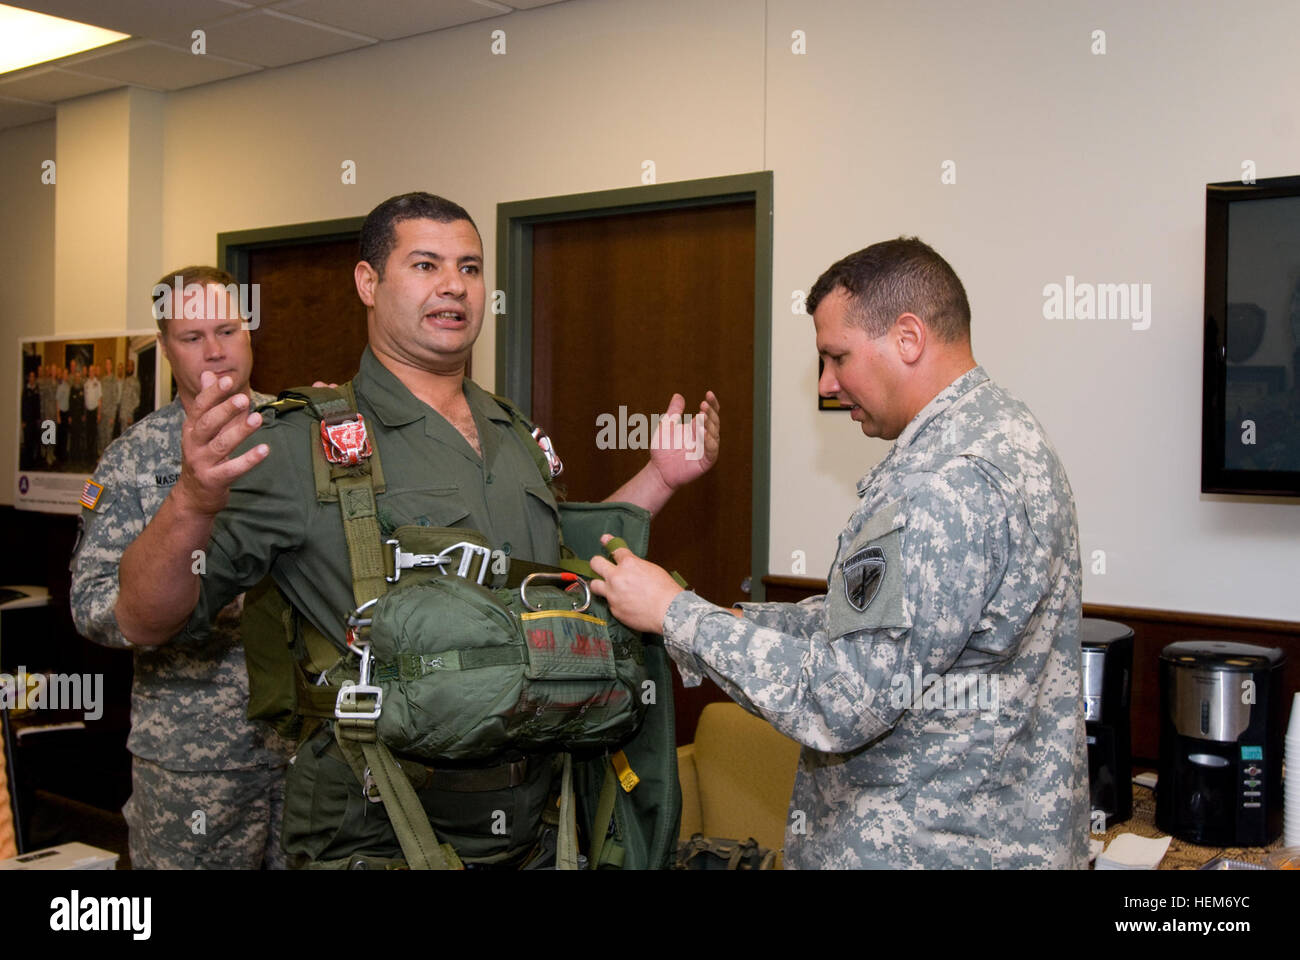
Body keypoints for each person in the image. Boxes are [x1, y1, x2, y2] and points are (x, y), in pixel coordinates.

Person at [112, 192, 720, 868]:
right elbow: (143, 618)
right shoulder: (297, 443)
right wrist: (193, 501)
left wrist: (660, 478)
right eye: (426, 264)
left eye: (470, 267)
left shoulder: (515, 434)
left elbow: (563, 580)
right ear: (368, 283)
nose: (453, 285)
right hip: (384, 829)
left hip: (540, 823)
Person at [591, 237, 1089, 870]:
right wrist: (714, 616)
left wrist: (678, 617)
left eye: (836, 357)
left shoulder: (940, 484)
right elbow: (865, 626)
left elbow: (840, 698)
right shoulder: (1005, 437)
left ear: (908, 338)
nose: (826, 384)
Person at [71, 266, 294, 869]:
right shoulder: (130, 461)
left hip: (310, 749)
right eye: (193, 337)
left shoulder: (300, 434)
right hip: (192, 760)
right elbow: (93, 609)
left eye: (228, 329)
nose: (216, 350)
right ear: (166, 347)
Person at [98, 361, 119, 456]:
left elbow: (115, 399)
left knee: (108, 436)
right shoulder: (103, 379)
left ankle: (107, 458)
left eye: (109, 364)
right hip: (102, 413)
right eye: (106, 364)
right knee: (101, 435)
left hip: (109, 413)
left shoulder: (114, 380)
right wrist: (99, 413)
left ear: (111, 366)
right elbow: (100, 398)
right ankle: (101, 455)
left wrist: (112, 416)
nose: (107, 366)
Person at [84, 363, 102, 461]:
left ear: (94, 372)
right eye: (89, 371)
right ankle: (88, 455)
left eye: (92, 370)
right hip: (88, 412)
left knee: (94, 434)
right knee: (88, 434)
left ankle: (94, 455)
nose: (91, 372)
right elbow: (84, 400)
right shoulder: (86, 383)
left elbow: (100, 399)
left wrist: (99, 413)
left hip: (95, 411)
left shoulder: (97, 383)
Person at [118, 358, 141, 433]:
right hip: (123, 416)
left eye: (131, 366)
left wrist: (130, 415)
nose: (129, 368)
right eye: (128, 366)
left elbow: (137, 401)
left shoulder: (135, 382)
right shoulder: (126, 380)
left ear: (133, 368)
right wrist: (120, 414)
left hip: (128, 416)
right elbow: (123, 399)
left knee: (129, 437)